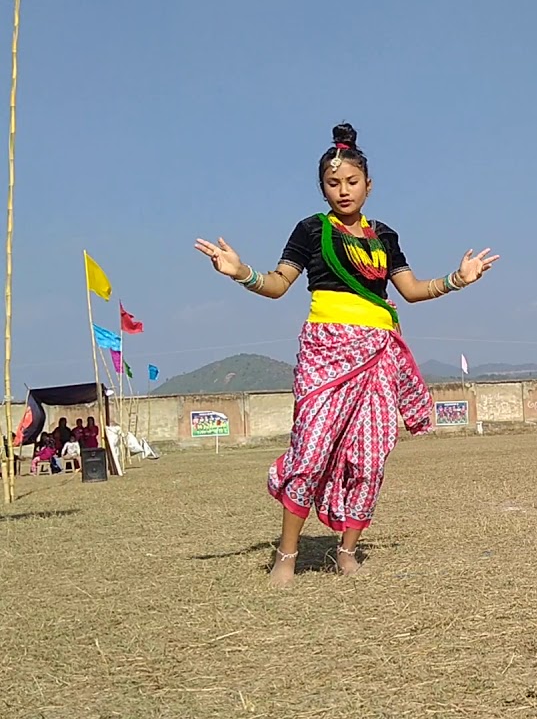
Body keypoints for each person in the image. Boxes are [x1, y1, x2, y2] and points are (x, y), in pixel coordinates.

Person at [194, 123, 499, 586]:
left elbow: (412, 291)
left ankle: (346, 550)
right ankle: (287, 554)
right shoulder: (310, 231)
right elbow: (278, 285)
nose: (343, 191)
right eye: (333, 184)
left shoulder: (385, 236)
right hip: (325, 353)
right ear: (322, 188)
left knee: (371, 456)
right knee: (311, 451)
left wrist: (458, 279)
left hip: (377, 355)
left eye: (352, 182)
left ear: (369, 185)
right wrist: (241, 272)